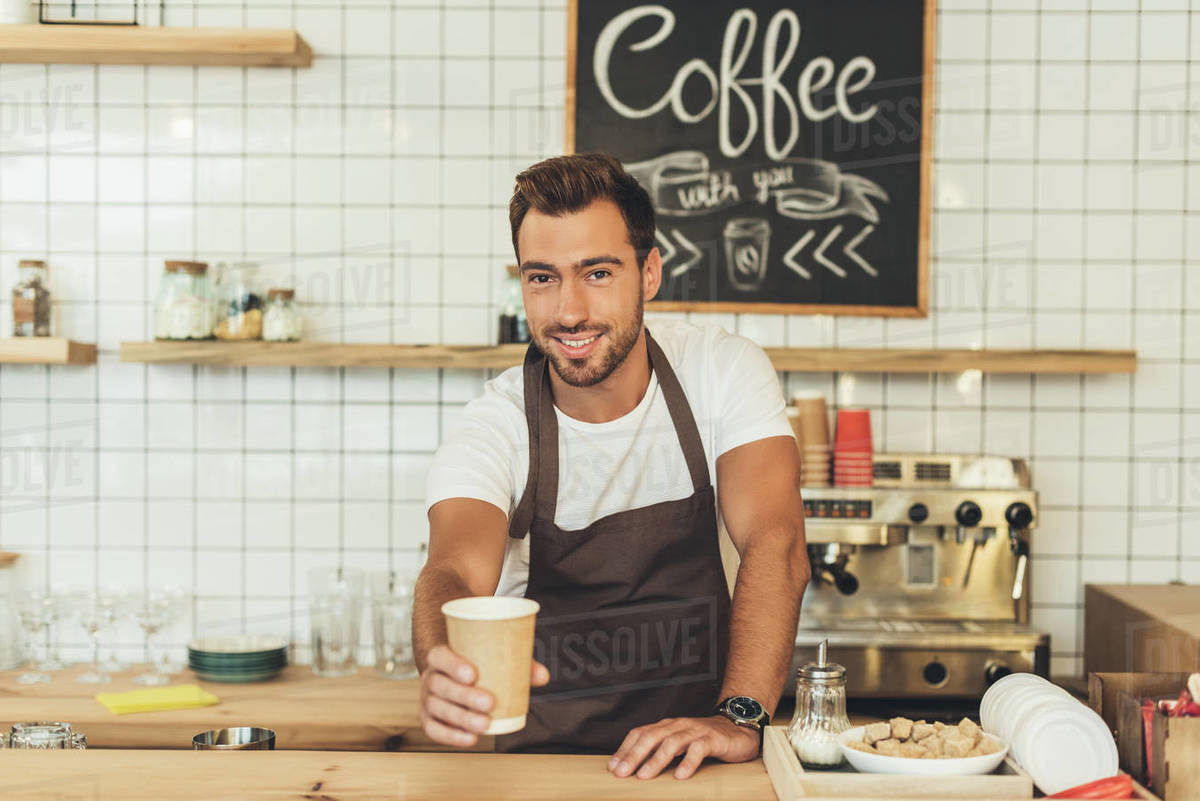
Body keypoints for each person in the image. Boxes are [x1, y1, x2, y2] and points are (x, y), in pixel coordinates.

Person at [414, 152, 809, 780]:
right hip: (542, 772)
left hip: (694, 762)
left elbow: (776, 542)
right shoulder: (496, 422)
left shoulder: (720, 371)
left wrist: (739, 716)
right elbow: (452, 572)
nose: (568, 311)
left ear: (649, 272)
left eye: (596, 273)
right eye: (541, 278)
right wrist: (440, 656)